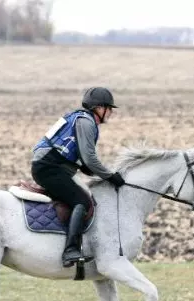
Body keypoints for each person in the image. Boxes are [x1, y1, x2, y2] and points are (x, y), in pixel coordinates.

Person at [31, 87, 125, 268]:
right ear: (99, 108)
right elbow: (90, 157)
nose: (111, 113)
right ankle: (71, 251)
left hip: (50, 165)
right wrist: (110, 176)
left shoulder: (77, 117)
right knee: (81, 201)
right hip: (50, 168)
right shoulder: (86, 122)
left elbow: (75, 153)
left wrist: (84, 167)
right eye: (109, 108)